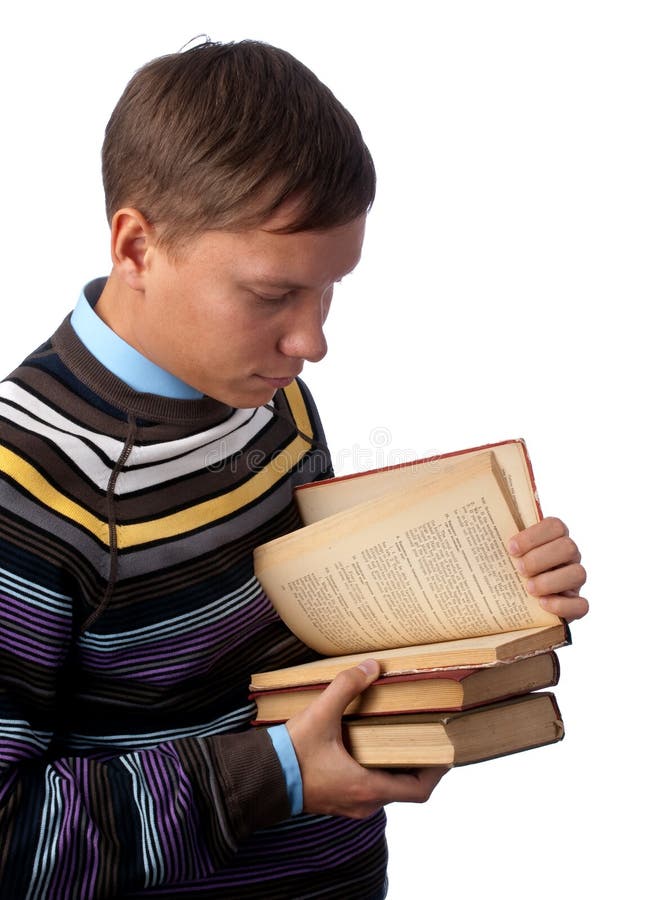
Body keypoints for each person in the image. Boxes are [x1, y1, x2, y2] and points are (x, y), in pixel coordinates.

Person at [0, 39, 588, 899]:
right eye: (273, 295)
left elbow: (300, 635)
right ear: (135, 247)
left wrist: (483, 597)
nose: (312, 342)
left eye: (330, 289)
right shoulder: (25, 486)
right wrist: (278, 774)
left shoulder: (266, 394)